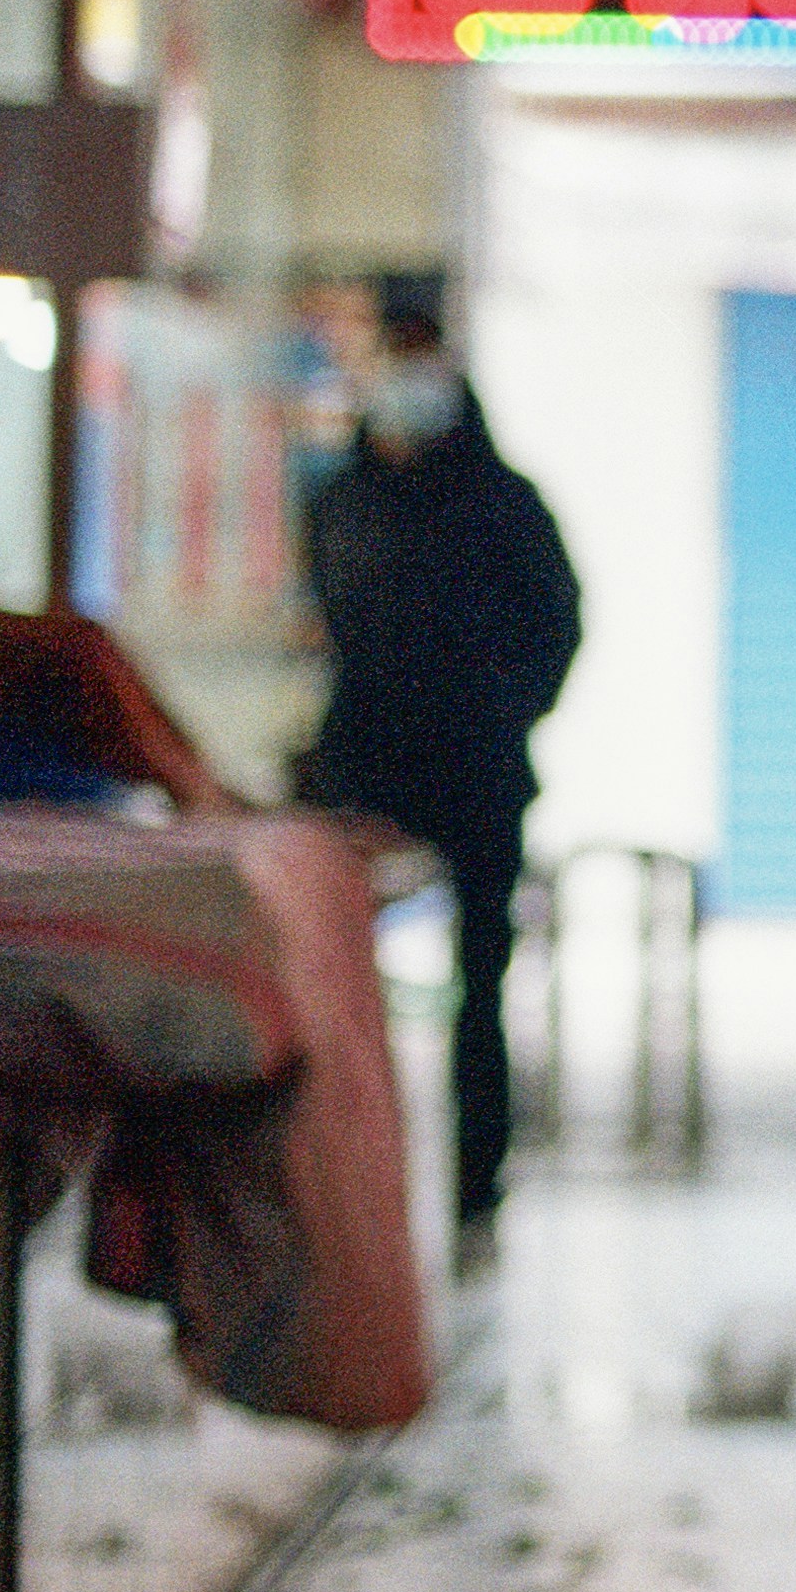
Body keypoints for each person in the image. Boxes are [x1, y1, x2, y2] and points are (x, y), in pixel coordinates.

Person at [298, 300, 581, 1255]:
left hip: (478, 774)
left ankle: (476, 1178)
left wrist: (501, 710)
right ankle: (346, 1172)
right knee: (334, 983)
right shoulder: (343, 500)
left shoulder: (505, 503)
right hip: (363, 775)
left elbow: (558, 627)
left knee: (481, 990)